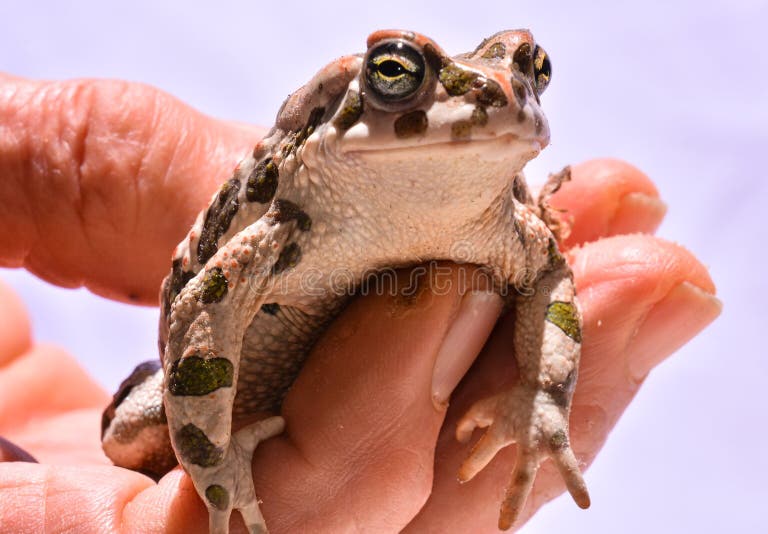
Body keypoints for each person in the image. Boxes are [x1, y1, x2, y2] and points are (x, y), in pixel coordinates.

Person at [0, 76, 721, 532]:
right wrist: (209, 457)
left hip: (329, 403)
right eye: (402, 78)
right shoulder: (298, 211)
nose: (501, 95)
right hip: (222, 403)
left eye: (531, 78)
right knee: (129, 430)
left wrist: (542, 393)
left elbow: (553, 281)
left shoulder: (510, 224)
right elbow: (203, 306)